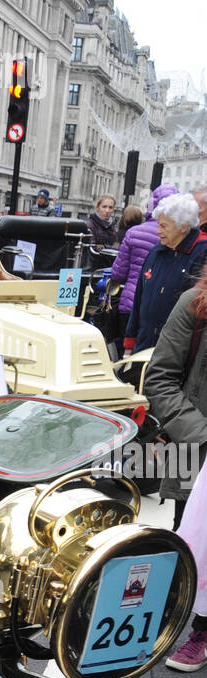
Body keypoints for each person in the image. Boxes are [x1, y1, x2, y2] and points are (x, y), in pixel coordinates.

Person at [144, 266, 207, 595]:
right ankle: (176, 628)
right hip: (193, 452)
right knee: (187, 550)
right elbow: (159, 379)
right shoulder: (194, 305)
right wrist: (202, 432)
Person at [123, 193, 207, 356]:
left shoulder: (202, 252)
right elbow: (140, 295)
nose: (158, 231)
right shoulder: (157, 250)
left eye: (164, 226)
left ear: (183, 227)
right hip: (144, 346)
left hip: (177, 352)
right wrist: (129, 343)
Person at [109, 185, 179, 333]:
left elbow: (118, 274)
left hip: (130, 304)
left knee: (126, 353)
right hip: (162, 310)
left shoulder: (134, 233)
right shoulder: (180, 237)